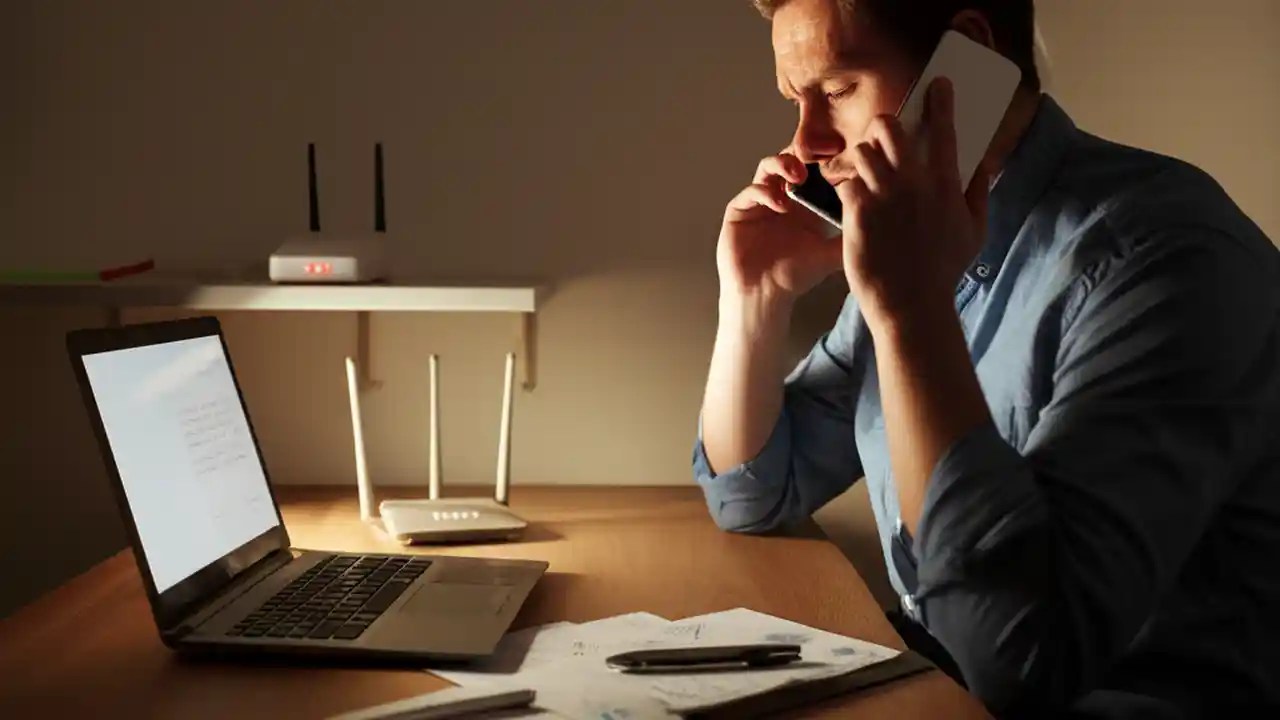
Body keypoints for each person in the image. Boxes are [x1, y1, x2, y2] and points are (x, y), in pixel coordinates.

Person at [692, 0, 1280, 715]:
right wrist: (752, 303)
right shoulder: (914, 239)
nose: (807, 141)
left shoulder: (1166, 259)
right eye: (795, 101)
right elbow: (752, 492)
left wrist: (911, 308)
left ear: (963, 66)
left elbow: (1022, 662)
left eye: (838, 90)